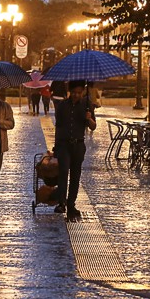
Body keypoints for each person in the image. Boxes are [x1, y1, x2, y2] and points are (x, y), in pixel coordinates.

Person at [52, 80, 96, 217]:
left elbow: (93, 126)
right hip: (64, 144)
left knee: (76, 175)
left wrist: (89, 119)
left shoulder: (87, 105)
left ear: (83, 91)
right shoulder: (62, 106)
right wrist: (56, 147)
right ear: (70, 92)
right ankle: (61, 203)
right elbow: (58, 126)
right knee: (63, 171)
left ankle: (71, 204)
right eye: (74, 92)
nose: (77, 95)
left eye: (79, 92)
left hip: (78, 145)